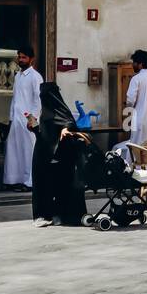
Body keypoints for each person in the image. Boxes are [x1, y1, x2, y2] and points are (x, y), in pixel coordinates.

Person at [30, 82, 89, 226]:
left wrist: (65, 129)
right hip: (43, 153)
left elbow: (68, 122)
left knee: (62, 185)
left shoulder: (60, 111)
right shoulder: (45, 112)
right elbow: (45, 133)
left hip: (60, 157)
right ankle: (43, 216)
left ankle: (63, 215)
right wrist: (34, 128)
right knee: (43, 185)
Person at [3, 46, 41, 191]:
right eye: (19, 57)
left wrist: (33, 119)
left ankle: (30, 182)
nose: (21, 60)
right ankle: (13, 179)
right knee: (14, 150)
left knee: (28, 151)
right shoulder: (18, 76)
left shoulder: (35, 77)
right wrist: (11, 117)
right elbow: (15, 99)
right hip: (16, 118)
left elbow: (38, 100)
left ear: (31, 59)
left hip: (28, 119)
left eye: (24, 57)